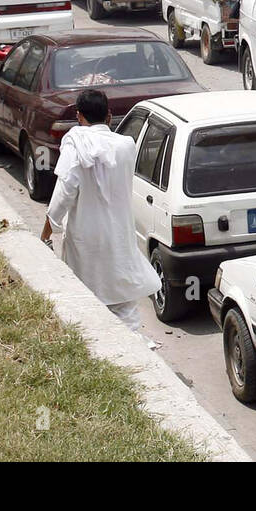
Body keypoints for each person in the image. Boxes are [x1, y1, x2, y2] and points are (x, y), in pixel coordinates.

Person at [41, 89, 161, 331]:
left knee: (88, 307)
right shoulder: (127, 146)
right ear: (108, 116)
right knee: (125, 306)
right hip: (120, 237)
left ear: (78, 116)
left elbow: (63, 194)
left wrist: (46, 232)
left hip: (87, 241)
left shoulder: (76, 146)